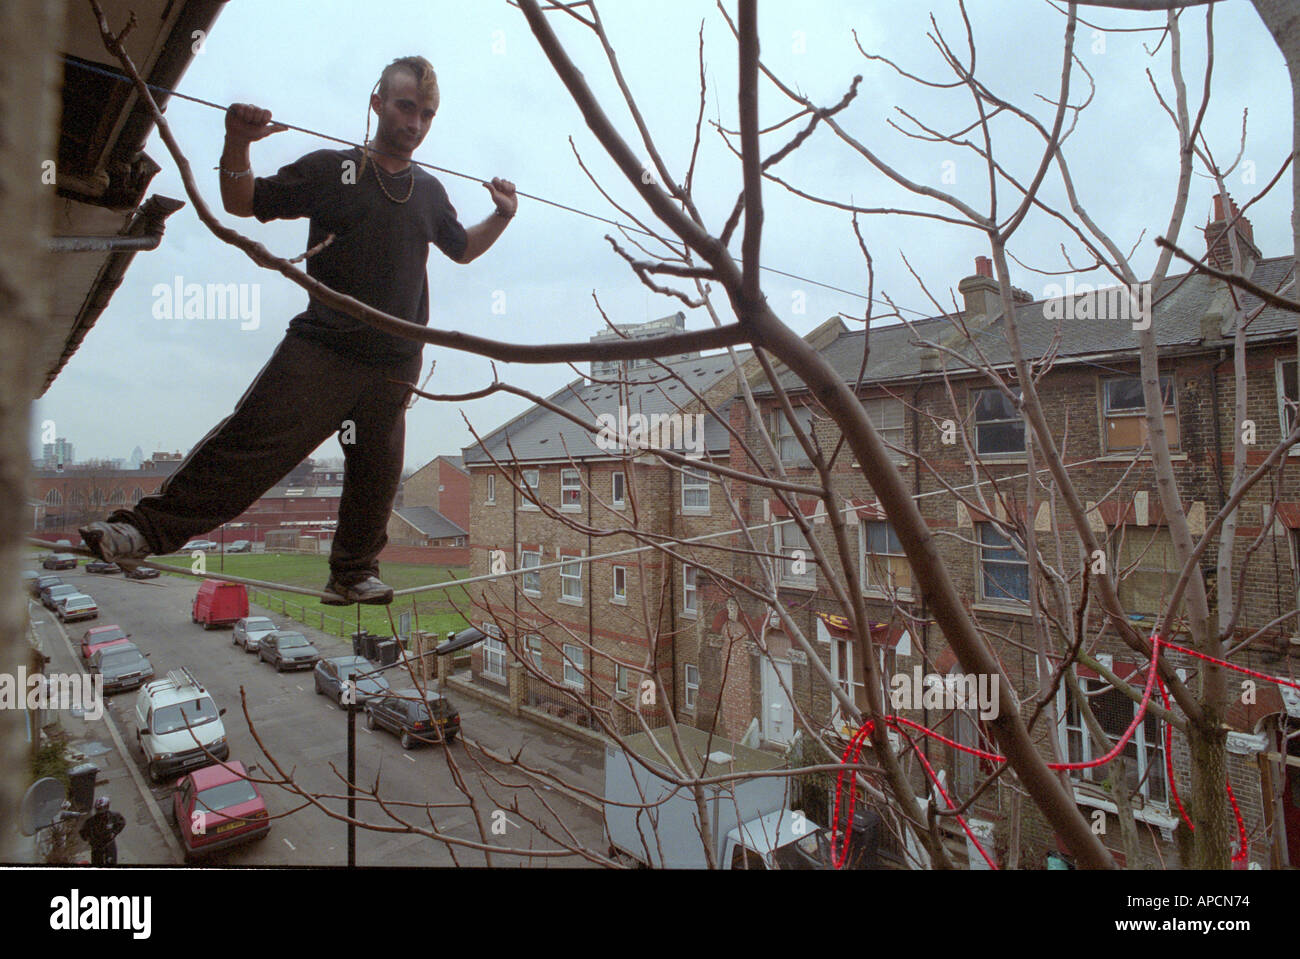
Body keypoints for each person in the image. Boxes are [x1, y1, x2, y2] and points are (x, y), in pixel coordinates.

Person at [81, 56, 516, 605]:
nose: (416, 124)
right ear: (378, 102)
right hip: (324, 347)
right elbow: (241, 202)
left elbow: (463, 250)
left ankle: (352, 573)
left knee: (377, 475)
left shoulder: (429, 193)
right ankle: (141, 530)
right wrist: (237, 141)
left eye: (427, 114)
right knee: (251, 445)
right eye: (406, 107)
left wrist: (501, 215)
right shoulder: (331, 169)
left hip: (396, 361)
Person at [79, 796, 126, 866]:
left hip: (109, 844)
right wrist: (88, 838)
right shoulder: (91, 821)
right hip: (96, 846)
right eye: (98, 809)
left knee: (111, 862)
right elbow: (83, 832)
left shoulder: (113, 816)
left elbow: (121, 822)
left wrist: (114, 832)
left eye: (101, 809)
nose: (101, 814)